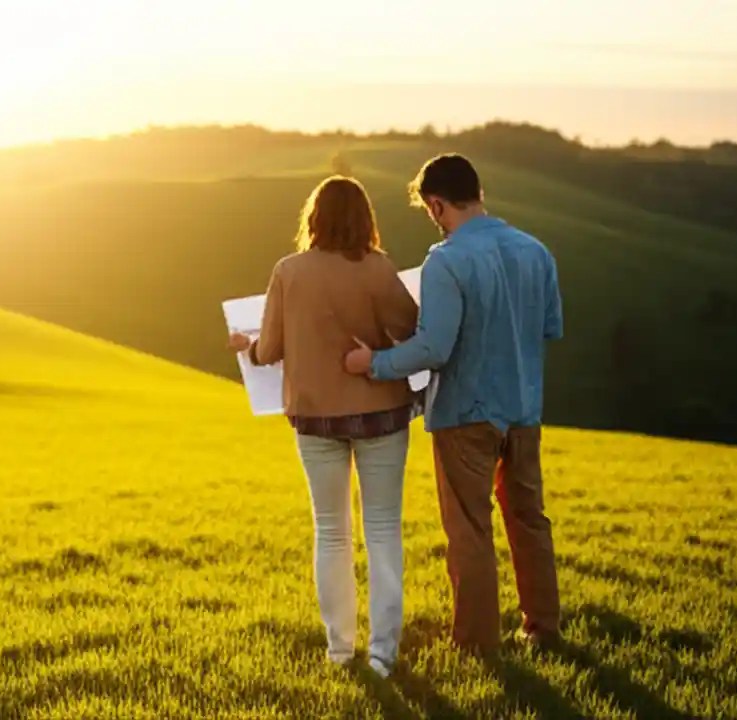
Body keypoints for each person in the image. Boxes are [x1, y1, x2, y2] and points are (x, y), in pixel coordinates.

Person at [343, 154, 563, 654]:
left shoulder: (446, 260)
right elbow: (549, 328)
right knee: (530, 518)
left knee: (469, 529)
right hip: (525, 410)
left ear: (437, 204)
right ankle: (543, 629)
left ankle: (475, 644)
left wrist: (372, 363)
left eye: (430, 211)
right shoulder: (537, 252)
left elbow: (433, 349)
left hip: (465, 413)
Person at [228, 176, 418, 677]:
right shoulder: (377, 268)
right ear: (364, 219)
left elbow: (268, 350)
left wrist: (244, 345)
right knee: (382, 531)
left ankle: (339, 649)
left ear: (313, 218)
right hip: (382, 415)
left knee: (331, 532)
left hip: (314, 418)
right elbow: (411, 330)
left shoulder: (288, 271)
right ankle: (383, 653)